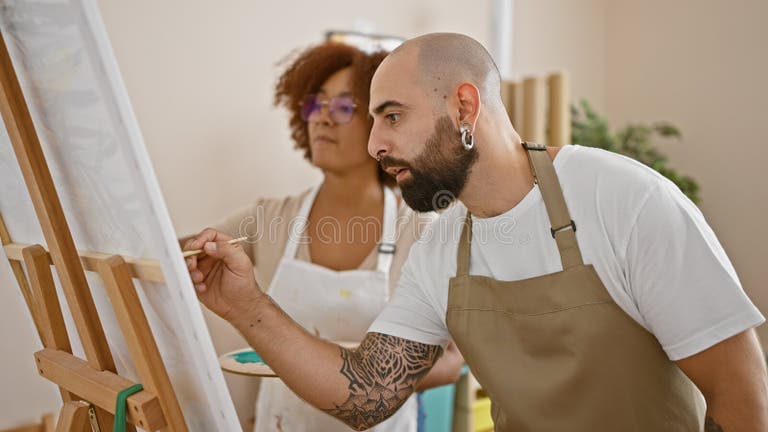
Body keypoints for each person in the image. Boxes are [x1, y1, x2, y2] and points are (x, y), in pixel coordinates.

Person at [185, 33, 768, 431]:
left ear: (465, 108)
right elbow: (365, 393)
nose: (373, 144)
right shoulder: (442, 248)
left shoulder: (622, 198)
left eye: (392, 116)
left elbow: (740, 391)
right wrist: (246, 307)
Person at [184, 41, 463, 432]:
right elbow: (183, 251)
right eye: (316, 104)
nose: (322, 119)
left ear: (383, 123)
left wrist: (355, 379)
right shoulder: (269, 217)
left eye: (344, 107)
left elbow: (451, 364)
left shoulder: (420, 230)